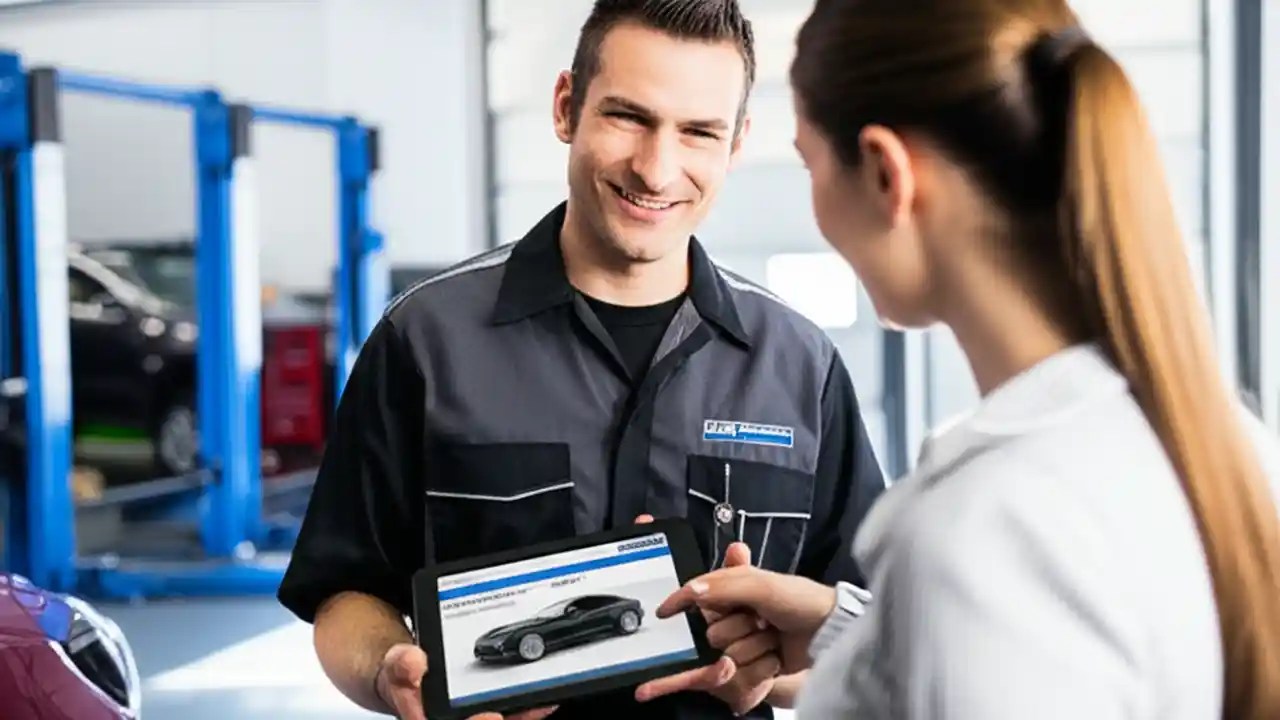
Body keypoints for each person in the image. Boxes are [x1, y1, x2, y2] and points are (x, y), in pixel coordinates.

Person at [636, 0, 1280, 718]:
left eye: (810, 166)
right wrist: (855, 630)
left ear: (886, 173)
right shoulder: (1232, 450)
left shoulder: (979, 531)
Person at [276, 1, 887, 718]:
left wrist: (768, 674)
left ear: (736, 142)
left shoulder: (799, 366)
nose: (657, 170)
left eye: (697, 131)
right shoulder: (425, 341)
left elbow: (859, 633)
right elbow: (346, 592)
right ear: (568, 107)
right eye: (628, 117)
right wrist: (389, 673)